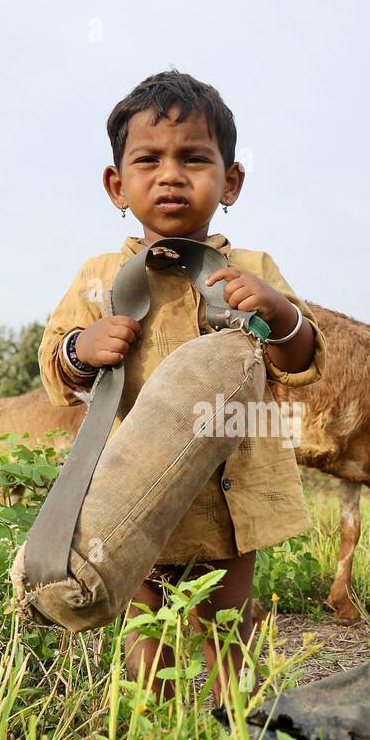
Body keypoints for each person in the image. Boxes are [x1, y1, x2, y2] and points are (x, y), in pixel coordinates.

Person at [38, 69, 326, 702]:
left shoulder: (250, 270)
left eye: (194, 159)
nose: (170, 175)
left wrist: (278, 312)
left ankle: (235, 734)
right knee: (148, 628)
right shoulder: (101, 278)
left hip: (233, 491)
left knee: (227, 623)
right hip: (134, 485)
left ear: (231, 182)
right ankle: (155, 738)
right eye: (149, 160)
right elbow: (55, 367)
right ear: (118, 185)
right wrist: (83, 350)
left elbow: (302, 360)